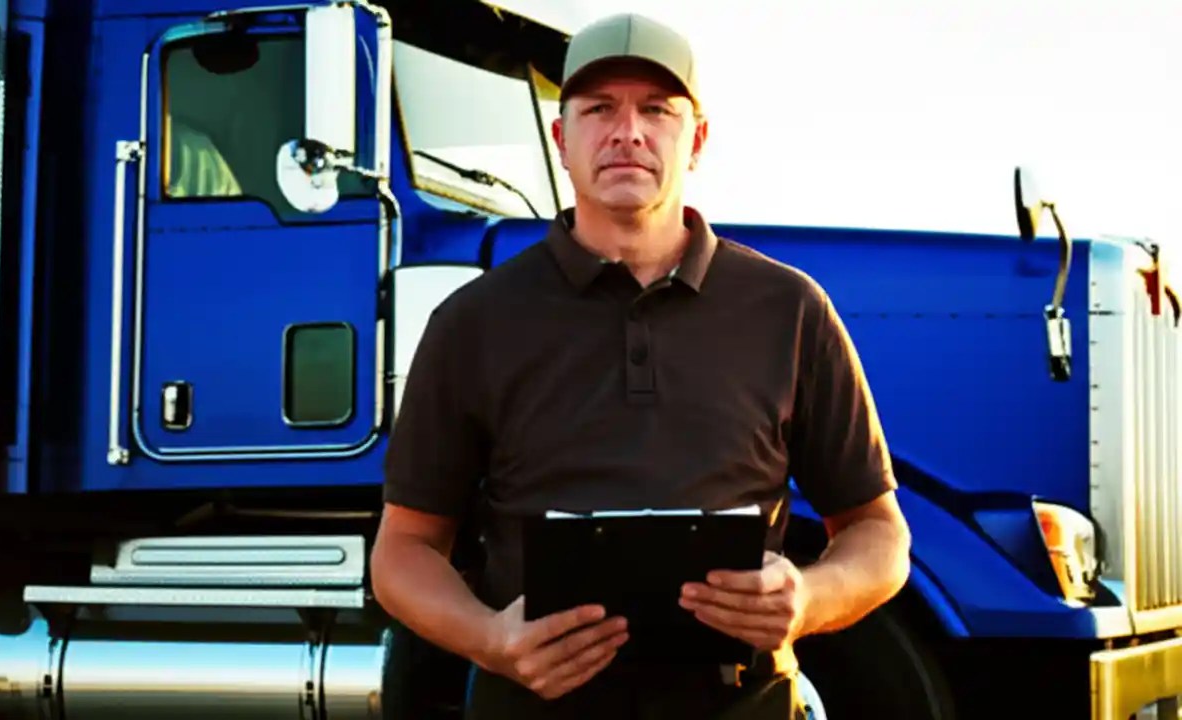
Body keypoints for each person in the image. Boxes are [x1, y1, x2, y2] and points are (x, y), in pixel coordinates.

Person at [370, 11, 912, 719]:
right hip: (534, 706)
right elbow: (403, 552)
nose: (628, 131)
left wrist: (808, 598)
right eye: (599, 109)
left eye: (656, 109)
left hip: (741, 703)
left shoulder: (790, 309)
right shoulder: (473, 321)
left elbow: (879, 533)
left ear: (698, 140)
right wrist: (491, 640)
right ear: (562, 140)